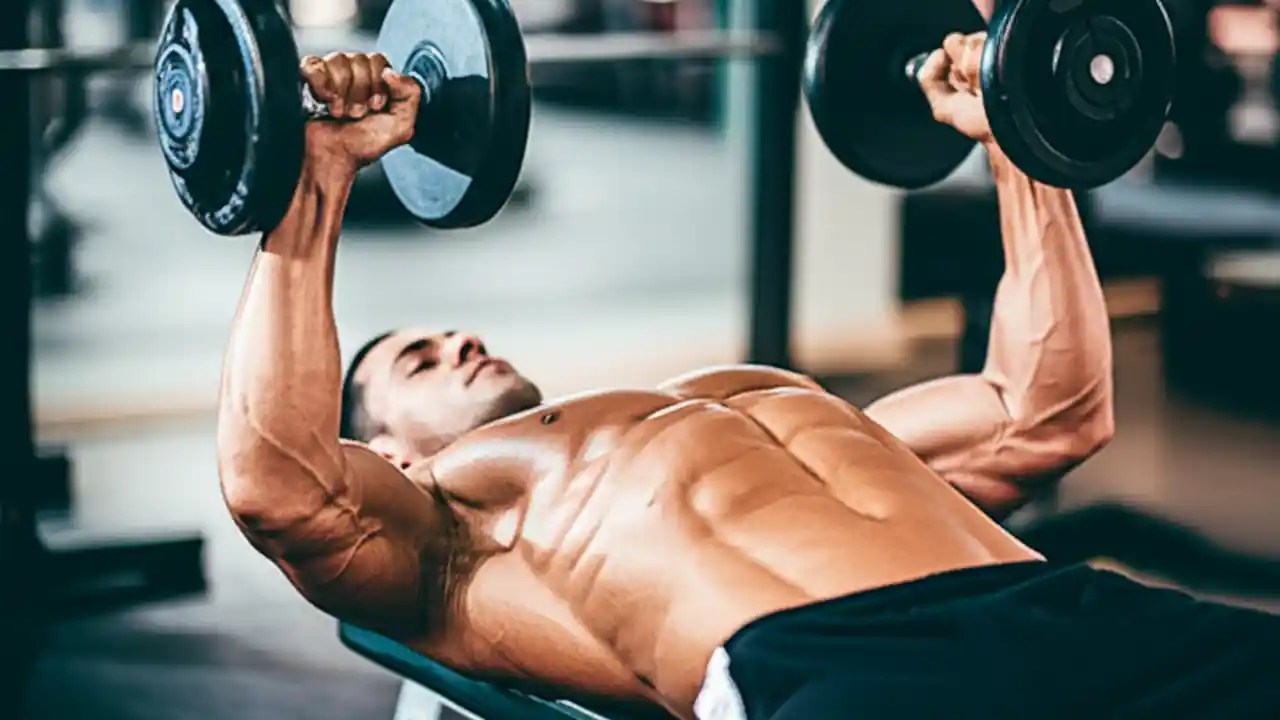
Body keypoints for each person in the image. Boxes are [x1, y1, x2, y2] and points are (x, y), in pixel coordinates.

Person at [216, 35, 1280, 720]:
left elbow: (1044, 411)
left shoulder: (744, 397)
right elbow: (280, 487)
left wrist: (1013, 142)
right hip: (844, 675)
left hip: (1062, 609)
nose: (457, 345)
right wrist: (315, 184)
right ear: (386, 450)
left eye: (449, 331)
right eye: (417, 358)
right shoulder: (454, 530)